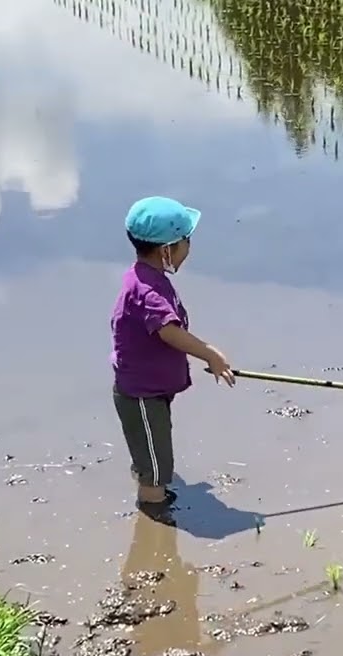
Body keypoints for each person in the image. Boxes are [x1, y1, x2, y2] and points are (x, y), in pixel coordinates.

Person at [111, 196, 235, 508]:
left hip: (152, 387)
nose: (189, 248)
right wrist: (210, 353)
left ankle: (143, 463)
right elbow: (168, 330)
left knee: (152, 448)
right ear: (167, 250)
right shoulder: (149, 292)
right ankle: (154, 513)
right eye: (186, 241)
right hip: (141, 393)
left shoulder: (143, 276)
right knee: (157, 472)